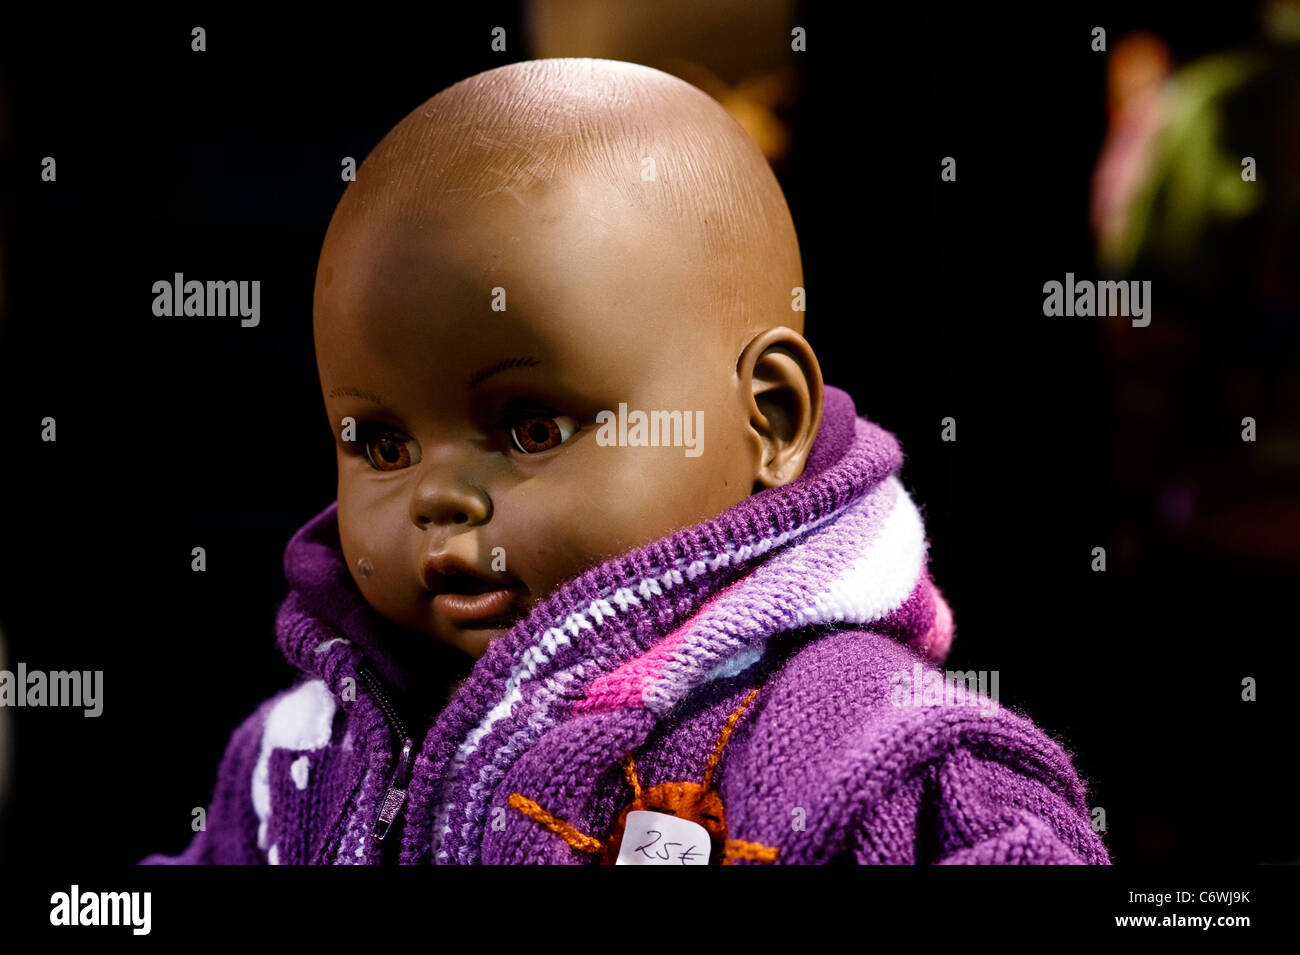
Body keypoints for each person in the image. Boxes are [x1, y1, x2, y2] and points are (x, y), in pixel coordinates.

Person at [139, 58, 1108, 865]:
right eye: (382, 444)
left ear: (766, 419)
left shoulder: (881, 760)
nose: (435, 495)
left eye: (528, 427)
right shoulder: (294, 758)